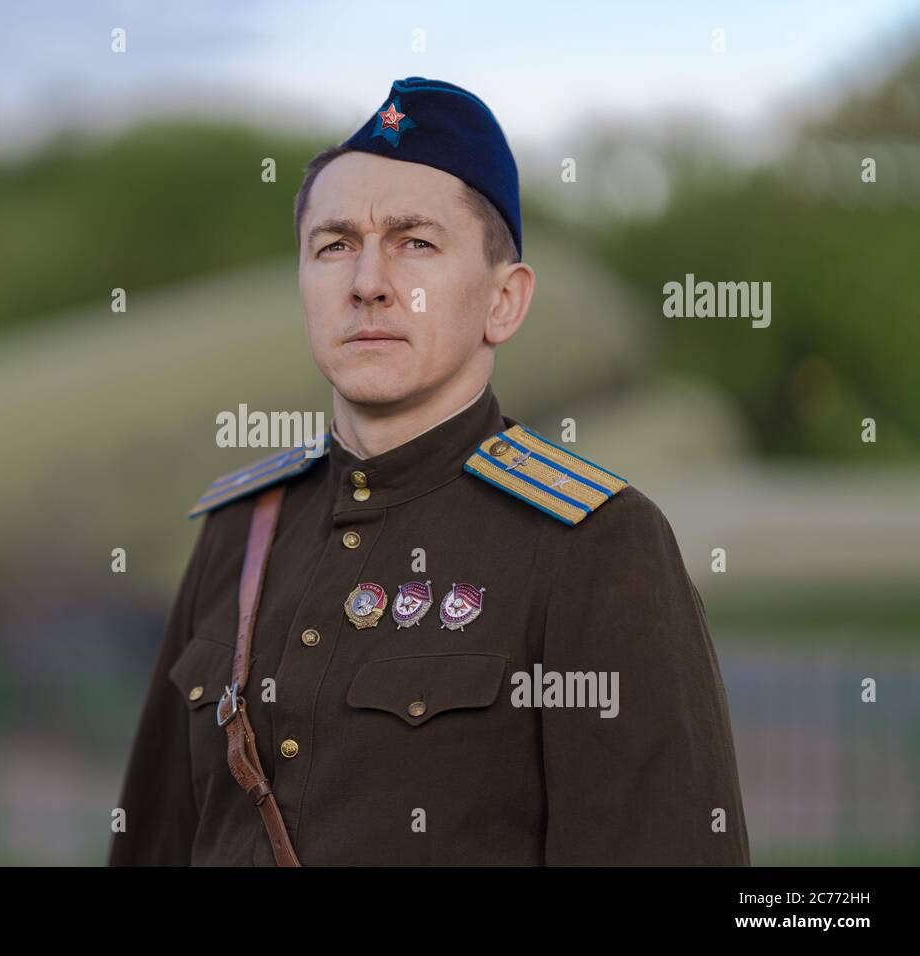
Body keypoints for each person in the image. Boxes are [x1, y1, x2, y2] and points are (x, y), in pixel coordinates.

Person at [108, 77, 749, 866]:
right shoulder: (240, 528)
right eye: (334, 245)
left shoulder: (595, 546)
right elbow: (151, 842)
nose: (367, 283)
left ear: (504, 302)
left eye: (415, 243)